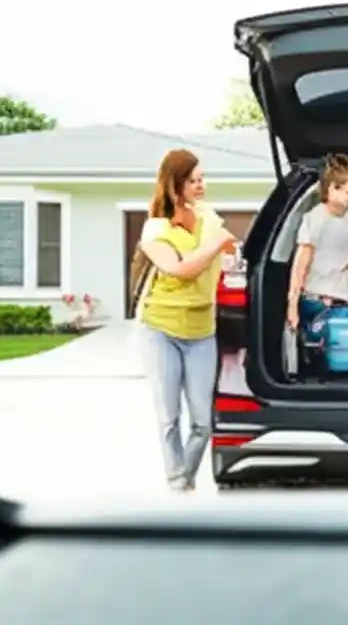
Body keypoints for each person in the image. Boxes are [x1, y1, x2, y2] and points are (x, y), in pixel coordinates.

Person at [133, 149, 236, 493]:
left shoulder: (208, 215)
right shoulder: (155, 229)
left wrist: (228, 253)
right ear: (175, 185)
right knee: (169, 417)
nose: (201, 185)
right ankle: (178, 481)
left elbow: (229, 251)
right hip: (160, 329)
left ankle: (184, 475)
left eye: (202, 178)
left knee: (204, 422)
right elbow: (180, 268)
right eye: (193, 180)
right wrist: (215, 245)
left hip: (201, 331)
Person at [286, 154, 348, 333]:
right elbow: (301, 265)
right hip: (319, 301)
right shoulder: (315, 219)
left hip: (343, 299)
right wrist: (292, 307)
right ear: (331, 188)